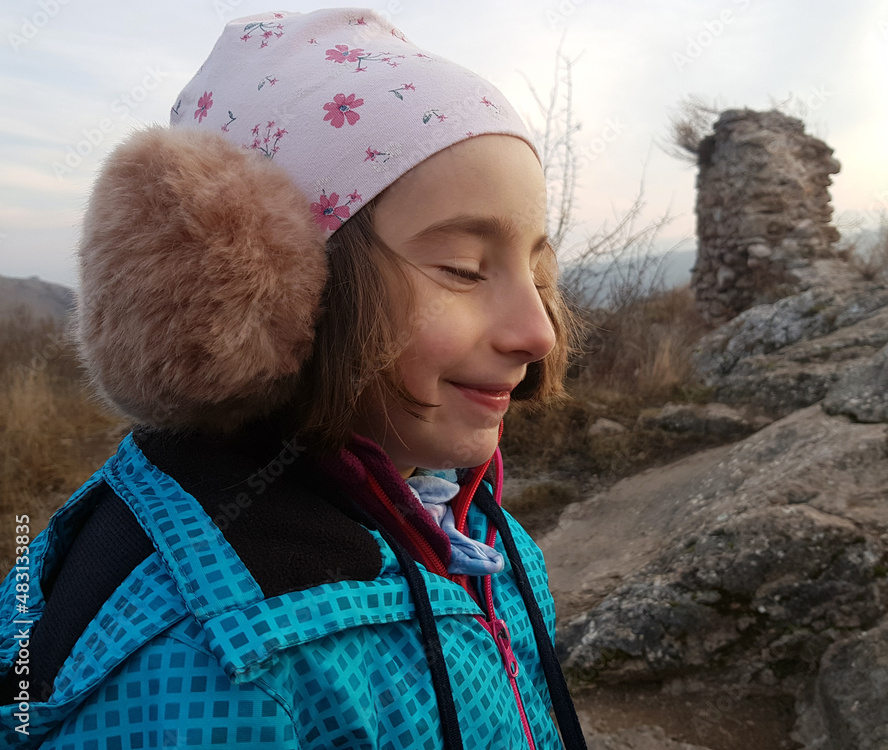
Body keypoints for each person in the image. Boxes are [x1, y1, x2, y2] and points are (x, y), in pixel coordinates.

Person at [0, 9, 588, 749]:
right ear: (275, 291)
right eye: (463, 269)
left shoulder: (466, 521)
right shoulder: (217, 666)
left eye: (538, 270)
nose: (537, 330)